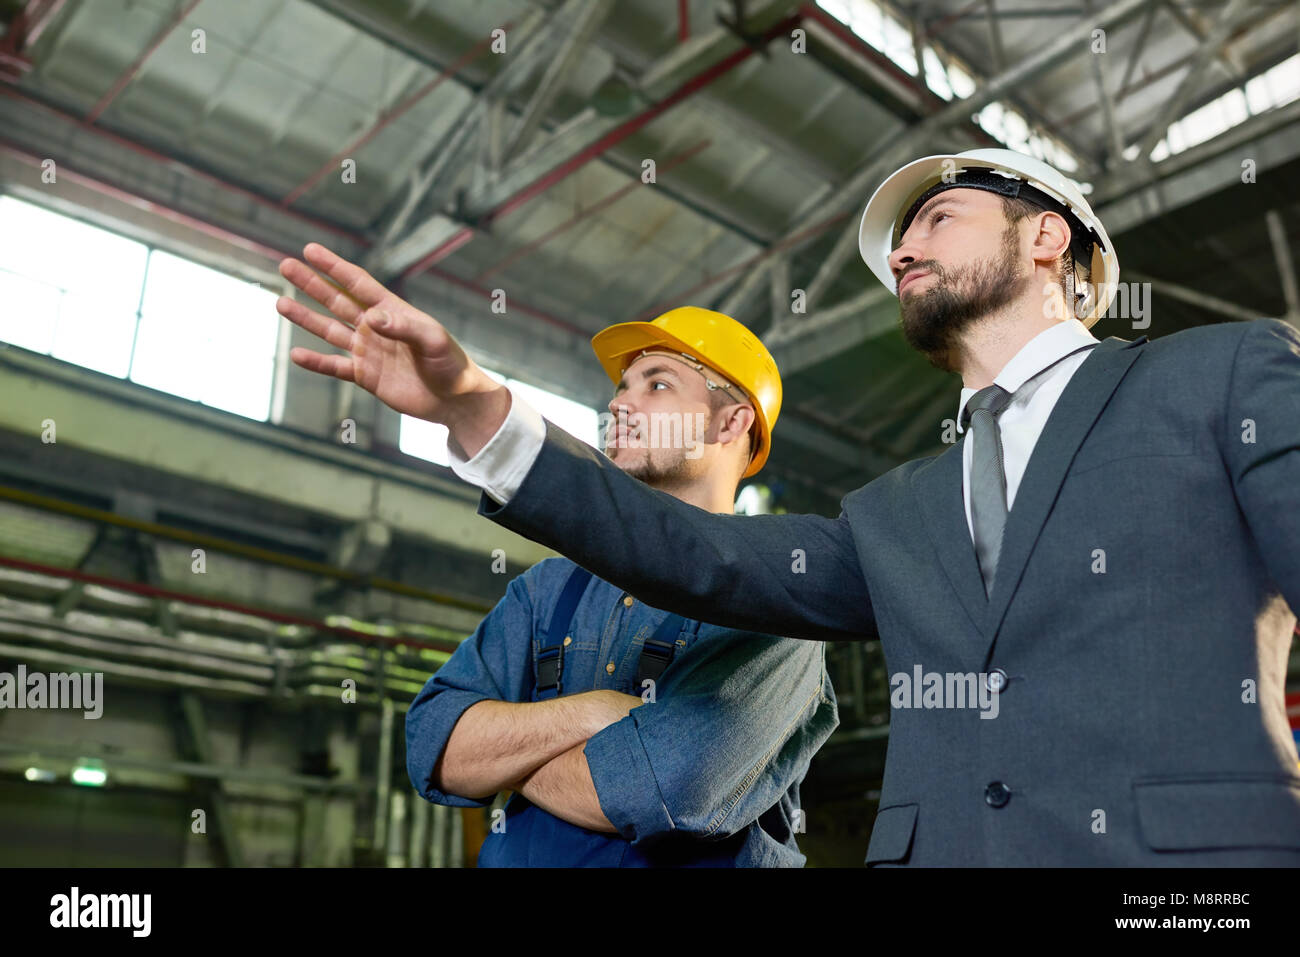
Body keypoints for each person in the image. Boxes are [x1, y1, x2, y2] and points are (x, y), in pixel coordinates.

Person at [277, 147, 1300, 866]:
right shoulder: (899, 510)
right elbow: (696, 557)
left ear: (1045, 238)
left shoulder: (1219, 376)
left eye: (934, 220)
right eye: (896, 245)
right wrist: (473, 409)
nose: (900, 254)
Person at [397, 307, 837, 866]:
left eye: (657, 384)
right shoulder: (547, 589)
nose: (618, 404)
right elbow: (431, 744)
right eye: (622, 388)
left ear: (730, 424)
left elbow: (666, 789)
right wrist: (591, 713)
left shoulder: (776, 608)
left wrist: (499, 754)